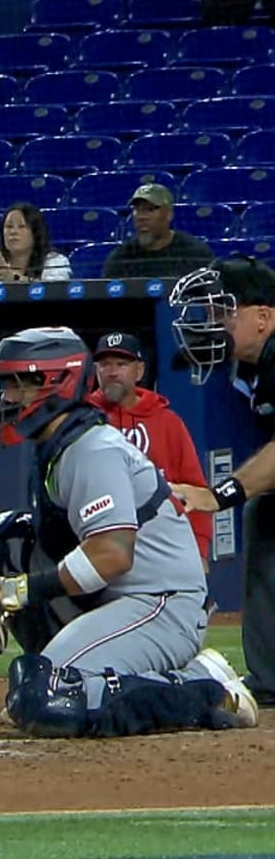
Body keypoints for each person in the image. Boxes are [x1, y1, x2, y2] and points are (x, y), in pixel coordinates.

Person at [0, 326, 256, 737]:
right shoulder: (58, 445)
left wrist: (13, 592)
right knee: (12, 538)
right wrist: (6, 595)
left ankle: (204, 686)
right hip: (119, 597)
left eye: (16, 386)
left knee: (50, 698)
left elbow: (112, 555)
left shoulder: (92, 450)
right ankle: (70, 673)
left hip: (161, 602)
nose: (5, 399)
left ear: (53, 382)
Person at [167, 256, 275, 707]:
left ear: (264, 317)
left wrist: (218, 495)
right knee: (266, 513)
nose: (214, 324)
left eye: (223, 312)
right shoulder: (253, 366)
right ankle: (269, 678)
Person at [85, 331, 211, 561]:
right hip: (101, 549)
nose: (112, 372)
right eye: (105, 365)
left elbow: (195, 490)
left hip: (164, 549)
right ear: (96, 371)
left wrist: (199, 552)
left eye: (121, 364)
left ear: (139, 371)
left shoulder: (167, 422)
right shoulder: (82, 421)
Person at [103, 184, 215, 282]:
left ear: (169, 214)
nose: (142, 217)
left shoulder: (194, 252)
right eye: (138, 210)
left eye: (150, 210)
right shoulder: (121, 258)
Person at [0, 202, 72, 284]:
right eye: (8, 227)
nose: (13, 232)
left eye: (21, 226)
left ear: (36, 233)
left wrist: (14, 279)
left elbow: (55, 291)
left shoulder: (55, 261)